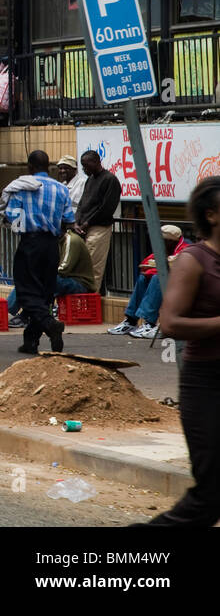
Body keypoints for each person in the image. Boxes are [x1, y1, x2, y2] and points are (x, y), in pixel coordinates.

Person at [145, 177, 220, 527]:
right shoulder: (194, 261)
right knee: (210, 495)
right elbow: (170, 323)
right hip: (207, 383)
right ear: (212, 215)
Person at [0, 150, 74, 355]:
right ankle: (31, 341)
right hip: (52, 245)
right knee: (45, 292)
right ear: (49, 167)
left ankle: (50, 325)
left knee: (26, 291)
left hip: (30, 243)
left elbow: (13, 216)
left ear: (30, 168)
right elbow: (68, 219)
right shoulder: (61, 189)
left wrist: (19, 223)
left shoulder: (23, 187)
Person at [108, 225, 189, 339]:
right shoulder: (165, 249)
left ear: (170, 242)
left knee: (156, 278)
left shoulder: (184, 250)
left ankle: (149, 323)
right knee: (143, 278)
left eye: (163, 241)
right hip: (170, 284)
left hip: (182, 287)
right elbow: (148, 262)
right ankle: (131, 321)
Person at [74, 149, 121, 293]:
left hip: (98, 228)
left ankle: (90, 297)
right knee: (82, 266)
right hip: (84, 227)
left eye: (87, 165)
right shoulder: (90, 179)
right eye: (83, 166)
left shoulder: (110, 179)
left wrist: (88, 222)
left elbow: (106, 207)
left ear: (96, 162)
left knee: (94, 266)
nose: (84, 169)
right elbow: (82, 203)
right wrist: (76, 221)